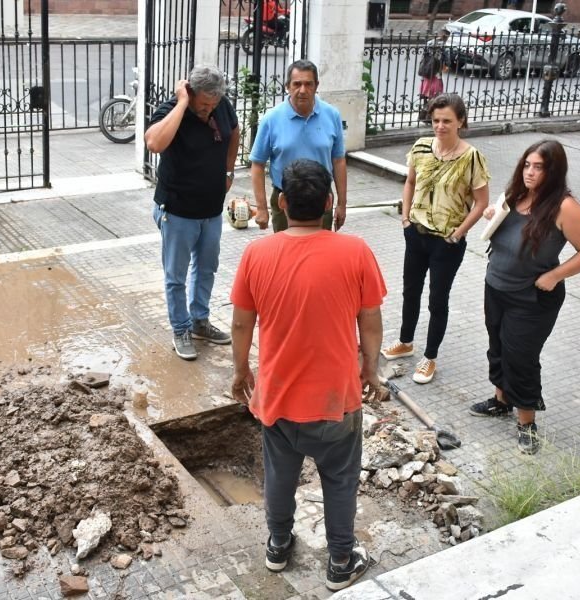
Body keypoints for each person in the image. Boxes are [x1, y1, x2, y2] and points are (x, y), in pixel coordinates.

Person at [230, 159, 386, 592]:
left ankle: (278, 544)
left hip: (277, 399)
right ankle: (340, 559)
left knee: (280, 476)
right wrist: (370, 370)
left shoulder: (257, 253)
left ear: (281, 202)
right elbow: (370, 321)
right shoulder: (355, 251)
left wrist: (241, 370)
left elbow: (242, 324)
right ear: (329, 203)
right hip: (336, 401)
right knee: (340, 480)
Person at [469, 140, 580, 455]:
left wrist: (555, 275)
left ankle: (526, 422)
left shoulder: (564, 207)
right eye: (527, 164)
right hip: (496, 287)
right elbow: (506, 230)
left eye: (538, 167)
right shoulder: (515, 194)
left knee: (521, 358)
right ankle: (501, 401)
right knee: (498, 347)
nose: (529, 172)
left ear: (553, 171)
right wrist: (493, 214)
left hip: (532, 298)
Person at [382, 94, 489, 384]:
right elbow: (410, 182)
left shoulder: (471, 158)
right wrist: (405, 219)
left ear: (461, 122)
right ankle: (406, 341)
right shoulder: (421, 147)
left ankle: (430, 357)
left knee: (437, 299)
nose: (440, 126)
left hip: (447, 242)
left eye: (447, 121)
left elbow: (481, 202)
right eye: (436, 120)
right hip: (416, 233)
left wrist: (459, 233)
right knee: (410, 291)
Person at [145, 65, 240, 361]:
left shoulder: (222, 106)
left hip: (211, 209)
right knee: (176, 276)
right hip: (177, 210)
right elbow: (154, 143)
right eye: (203, 105)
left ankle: (200, 320)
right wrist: (183, 103)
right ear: (190, 94)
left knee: (207, 268)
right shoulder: (173, 109)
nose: (208, 111)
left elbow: (234, 132)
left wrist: (228, 170)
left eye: (213, 105)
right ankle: (181, 328)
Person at [250, 60, 348, 233]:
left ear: (316, 85)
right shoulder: (272, 119)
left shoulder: (332, 115)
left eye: (308, 84)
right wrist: (262, 208)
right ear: (287, 86)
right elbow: (257, 165)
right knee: (286, 254)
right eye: (297, 84)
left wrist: (342, 203)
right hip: (285, 199)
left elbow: (339, 161)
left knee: (319, 254)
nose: (303, 90)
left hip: (321, 198)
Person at [417, 29, 449, 124]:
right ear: (446, 37)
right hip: (436, 74)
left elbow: (424, 57)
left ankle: (425, 115)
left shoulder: (429, 43)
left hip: (427, 73)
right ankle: (428, 116)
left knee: (426, 96)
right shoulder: (443, 46)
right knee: (435, 96)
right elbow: (447, 61)